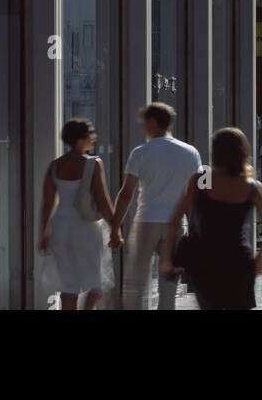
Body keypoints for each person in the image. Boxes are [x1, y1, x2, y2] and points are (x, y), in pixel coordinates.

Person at [162, 127, 262, 310]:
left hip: (205, 261)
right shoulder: (252, 187)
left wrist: (168, 258)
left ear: (215, 152)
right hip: (239, 262)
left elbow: (174, 220)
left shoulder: (203, 179)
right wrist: (260, 258)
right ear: (242, 152)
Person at [111, 102, 201, 310]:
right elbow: (195, 194)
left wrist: (116, 227)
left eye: (144, 124)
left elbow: (126, 194)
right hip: (177, 223)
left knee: (136, 283)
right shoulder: (191, 153)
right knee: (169, 284)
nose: (143, 129)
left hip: (147, 220)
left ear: (152, 122)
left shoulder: (141, 153)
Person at [39, 118, 118, 310]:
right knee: (96, 285)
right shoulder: (92, 164)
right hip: (86, 228)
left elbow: (47, 204)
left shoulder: (55, 166)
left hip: (60, 228)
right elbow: (102, 200)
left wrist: (43, 234)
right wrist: (116, 228)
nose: (94, 137)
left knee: (69, 287)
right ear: (82, 138)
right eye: (91, 133)